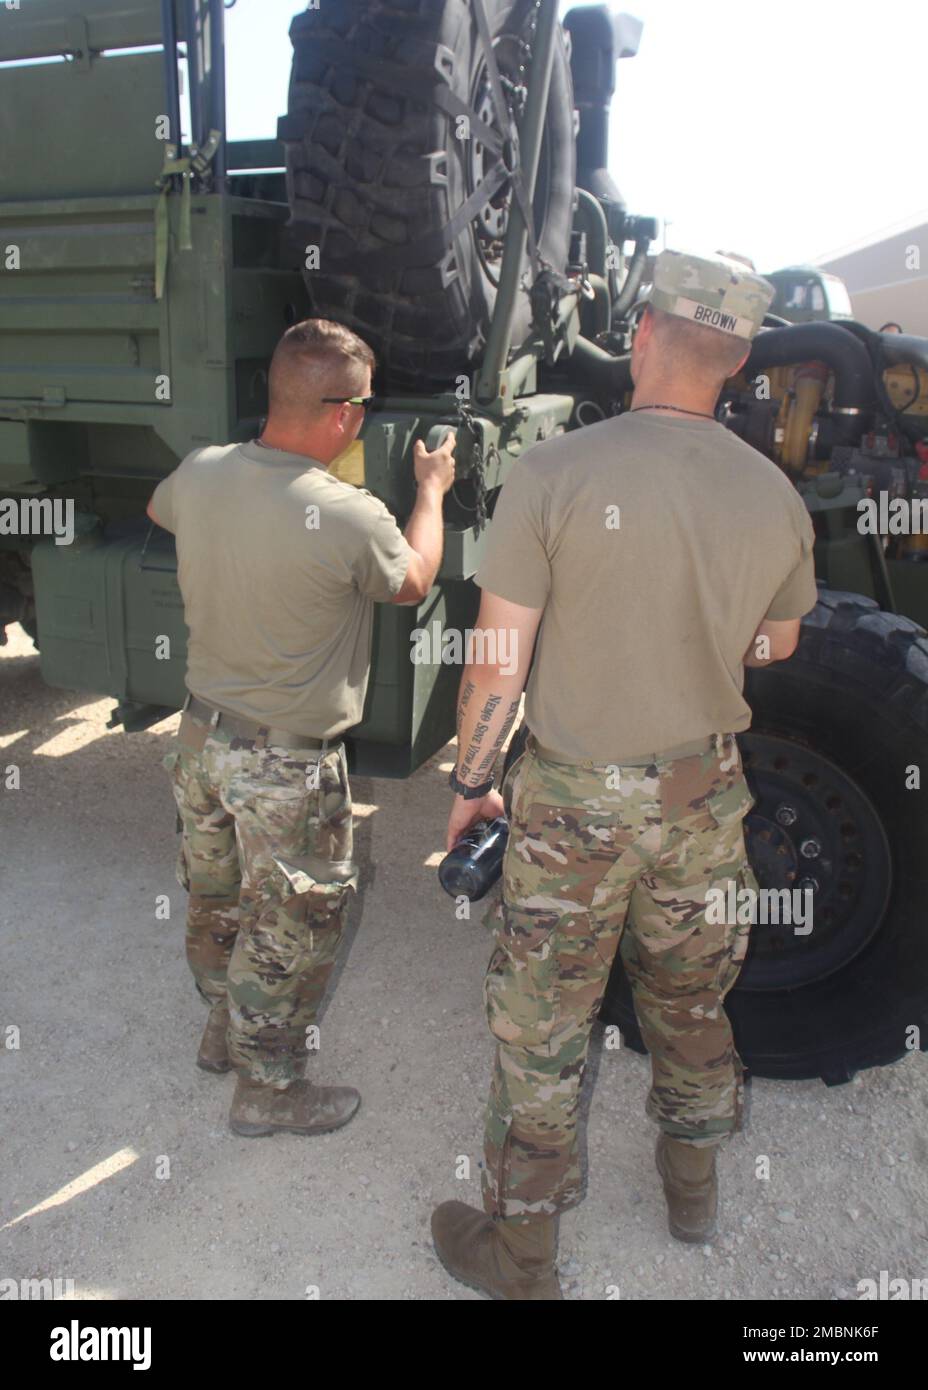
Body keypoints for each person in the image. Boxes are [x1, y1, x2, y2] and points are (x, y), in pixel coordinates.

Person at [430, 250, 819, 1299]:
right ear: (733, 366)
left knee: (543, 1030)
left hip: (569, 813)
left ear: (643, 336)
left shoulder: (557, 472)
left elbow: (497, 662)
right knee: (692, 1004)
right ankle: (689, 1195)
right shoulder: (773, 494)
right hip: (702, 801)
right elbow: (776, 645)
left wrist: (473, 782)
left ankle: (522, 1259)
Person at [148, 319, 455, 1137]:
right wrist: (429, 490)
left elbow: (162, 507)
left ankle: (222, 1031)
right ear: (345, 415)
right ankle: (268, 1091)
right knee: (290, 927)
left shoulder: (201, 472)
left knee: (215, 902)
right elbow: (415, 579)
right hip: (285, 765)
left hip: (199, 742)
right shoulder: (349, 515)